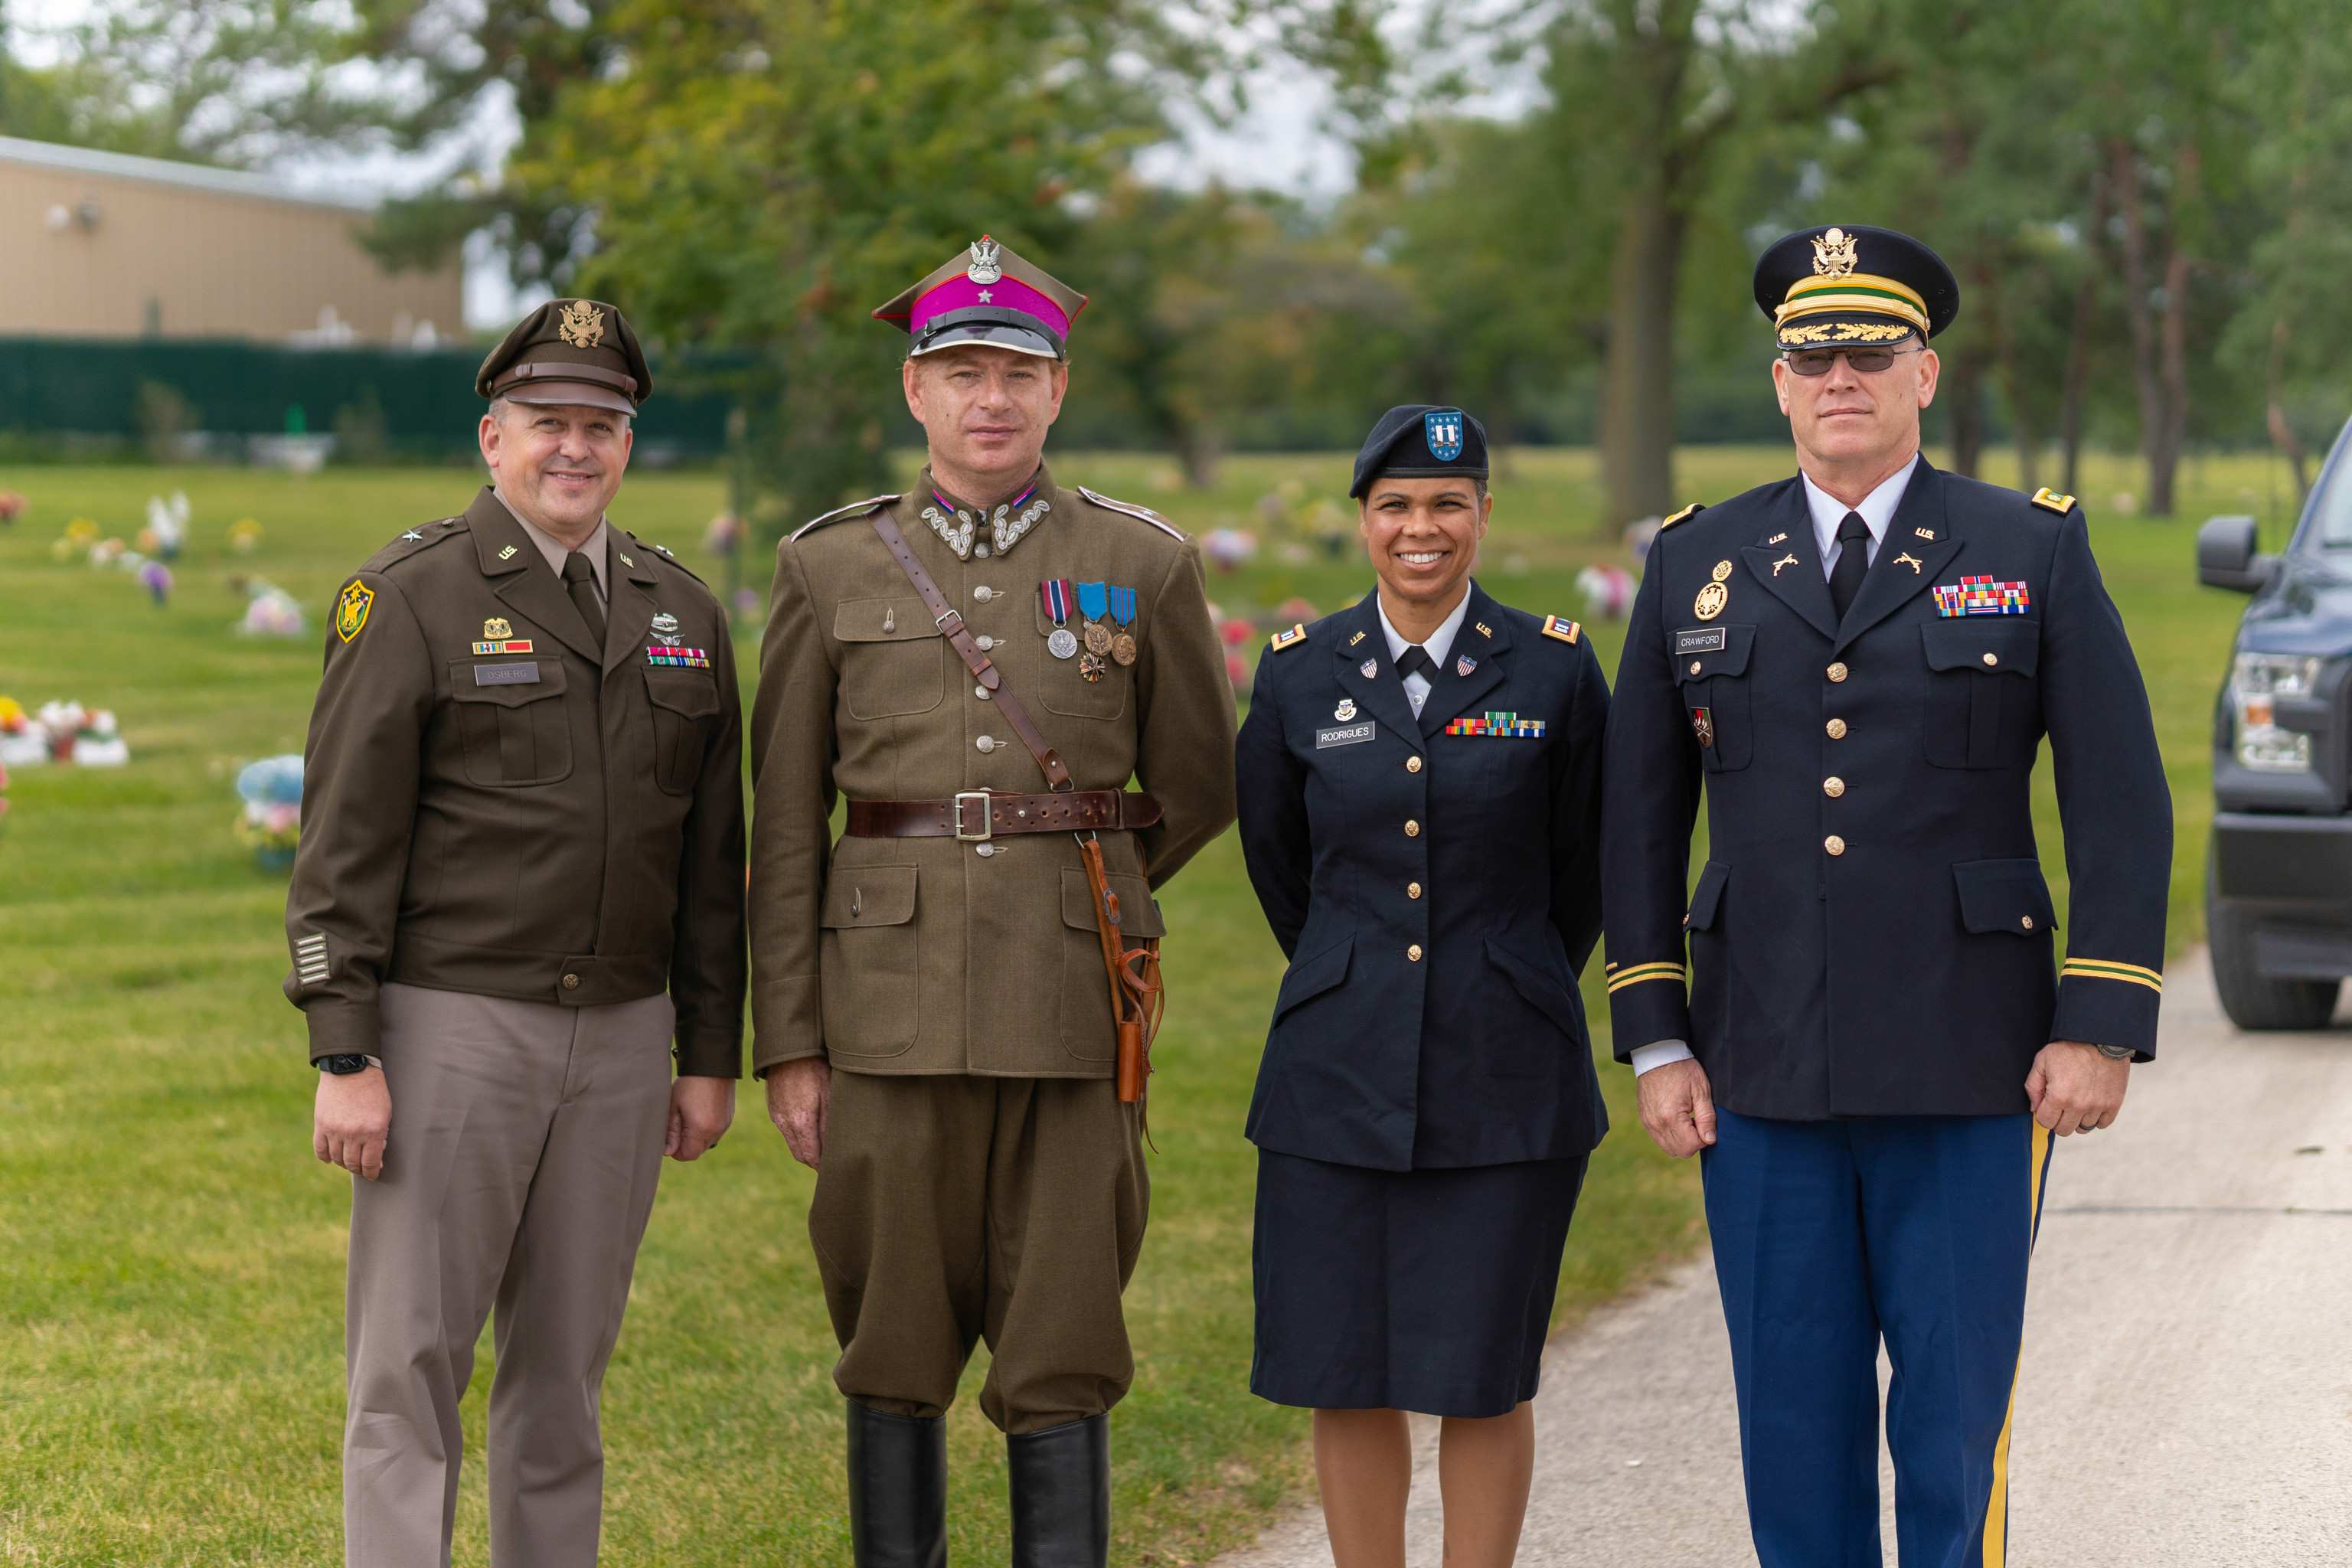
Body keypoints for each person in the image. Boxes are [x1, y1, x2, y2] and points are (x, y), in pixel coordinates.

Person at [1602, 225, 2171, 1568]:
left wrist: (2099, 1020)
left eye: (1869, 353)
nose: (1839, 376)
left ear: (1924, 373)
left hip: (1971, 1056)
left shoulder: (2025, 546)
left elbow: (2119, 794)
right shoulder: (1696, 560)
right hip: (1759, 1057)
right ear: (1782, 384)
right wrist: (1657, 1035)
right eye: (1813, 357)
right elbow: (1637, 816)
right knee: (1790, 1417)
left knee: (1956, 1414)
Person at [750, 235, 1237, 1567]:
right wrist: (790, 1043)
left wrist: (1082, 889)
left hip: (1073, 1013)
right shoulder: (831, 568)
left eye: (1017, 373)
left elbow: (1194, 787)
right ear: (914, 391)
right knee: (890, 1346)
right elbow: (786, 825)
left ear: (1058, 390)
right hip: (882, 1022)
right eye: (960, 370)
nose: (990, 399)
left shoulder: (1143, 564)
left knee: (1066, 1343)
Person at [290, 299, 746, 1568]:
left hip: (620, 1041)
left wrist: (708, 1054)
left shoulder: (685, 615)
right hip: (451, 1034)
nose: (576, 449)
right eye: (549, 423)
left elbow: (713, 870)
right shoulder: (410, 599)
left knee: (565, 1383)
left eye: (602, 426)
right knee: (408, 1374)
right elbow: (339, 853)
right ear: (494, 438)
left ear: (629, 446)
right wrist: (345, 1051)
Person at [1233, 406, 1610, 1568]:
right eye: (1395, 505)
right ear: (1362, 521)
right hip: (1334, 1073)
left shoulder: (1553, 667)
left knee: (1481, 1375)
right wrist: (1361, 974)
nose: (1422, 528)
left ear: (1486, 514)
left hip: (1503, 1072)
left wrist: (1492, 970)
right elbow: (1281, 869)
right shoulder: (1299, 678)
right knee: (1343, 1369)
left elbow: (1582, 874)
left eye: (1449, 504)